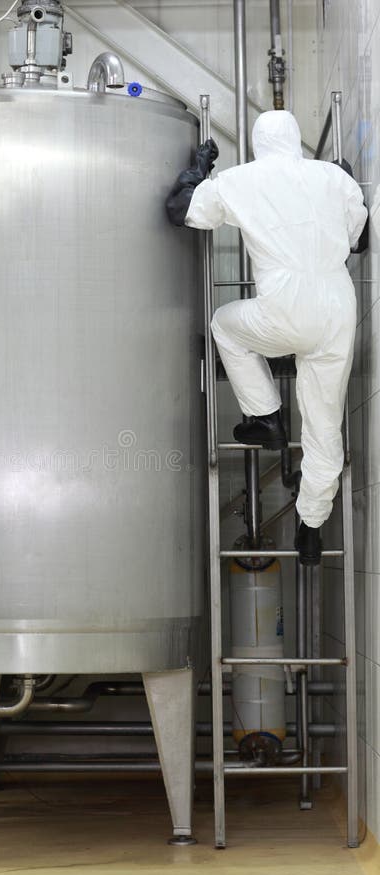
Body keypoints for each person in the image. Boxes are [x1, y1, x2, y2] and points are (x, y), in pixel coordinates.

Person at [166, 110, 368, 565]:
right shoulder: (332, 178)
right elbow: (358, 239)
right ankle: (311, 528)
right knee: (324, 426)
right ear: (296, 139)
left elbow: (181, 210)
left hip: (284, 308)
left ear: (258, 143)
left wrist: (197, 172)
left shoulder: (243, 178)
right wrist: (343, 180)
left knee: (224, 325)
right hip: (338, 311)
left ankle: (266, 417)